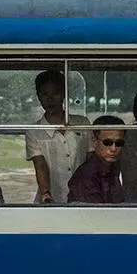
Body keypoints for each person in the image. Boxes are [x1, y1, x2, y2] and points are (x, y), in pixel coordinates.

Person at [24, 69, 90, 204]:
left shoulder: (82, 123)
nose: (50, 99)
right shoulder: (34, 131)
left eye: (55, 93)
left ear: (64, 95)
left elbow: (91, 159)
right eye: (44, 94)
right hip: (51, 199)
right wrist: (46, 193)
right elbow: (40, 164)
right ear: (38, 97)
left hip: (83, 197)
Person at [68, 116, 127, 204]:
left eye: (119, 143)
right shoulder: (86, 177)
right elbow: (96, 215)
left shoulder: (116, 169)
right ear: (95, 142)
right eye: (107, 143)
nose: (113, 149)